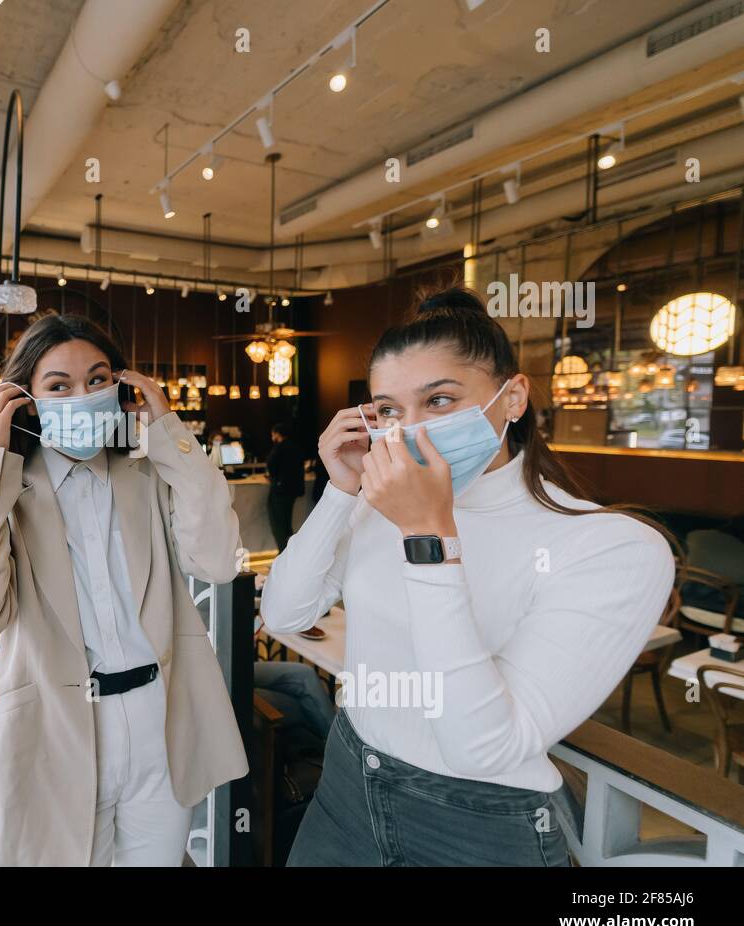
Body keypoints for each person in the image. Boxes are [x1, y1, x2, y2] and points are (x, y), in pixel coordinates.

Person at [261, 286, 674, 867]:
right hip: (347, 781)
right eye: (389, 410)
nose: (411, 430)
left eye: (439, 400)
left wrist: (429, 537)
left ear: (513, 399)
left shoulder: (608, 547)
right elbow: (284, 613)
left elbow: (482, 747)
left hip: (472, 826)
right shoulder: (375, 505)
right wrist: (339, 491)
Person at [0, 314, 249, 867]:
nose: (82, 397)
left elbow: (219, 563)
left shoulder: (148, 475)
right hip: (56, 731)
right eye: (59, 386)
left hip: (160, 722)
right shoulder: (4, 490)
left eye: (98, 379)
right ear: (27, 400)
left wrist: (171, 434)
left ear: (121, 386)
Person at [265, 421, 305, 552]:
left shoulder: (280, 447)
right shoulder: (296, 446)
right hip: (293, 491)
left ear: (277, 434)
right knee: (287, 524)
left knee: (278, 525)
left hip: (280, 490)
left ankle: (283, 555)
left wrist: (273, 477)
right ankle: (290, 554)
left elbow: (270, 463)